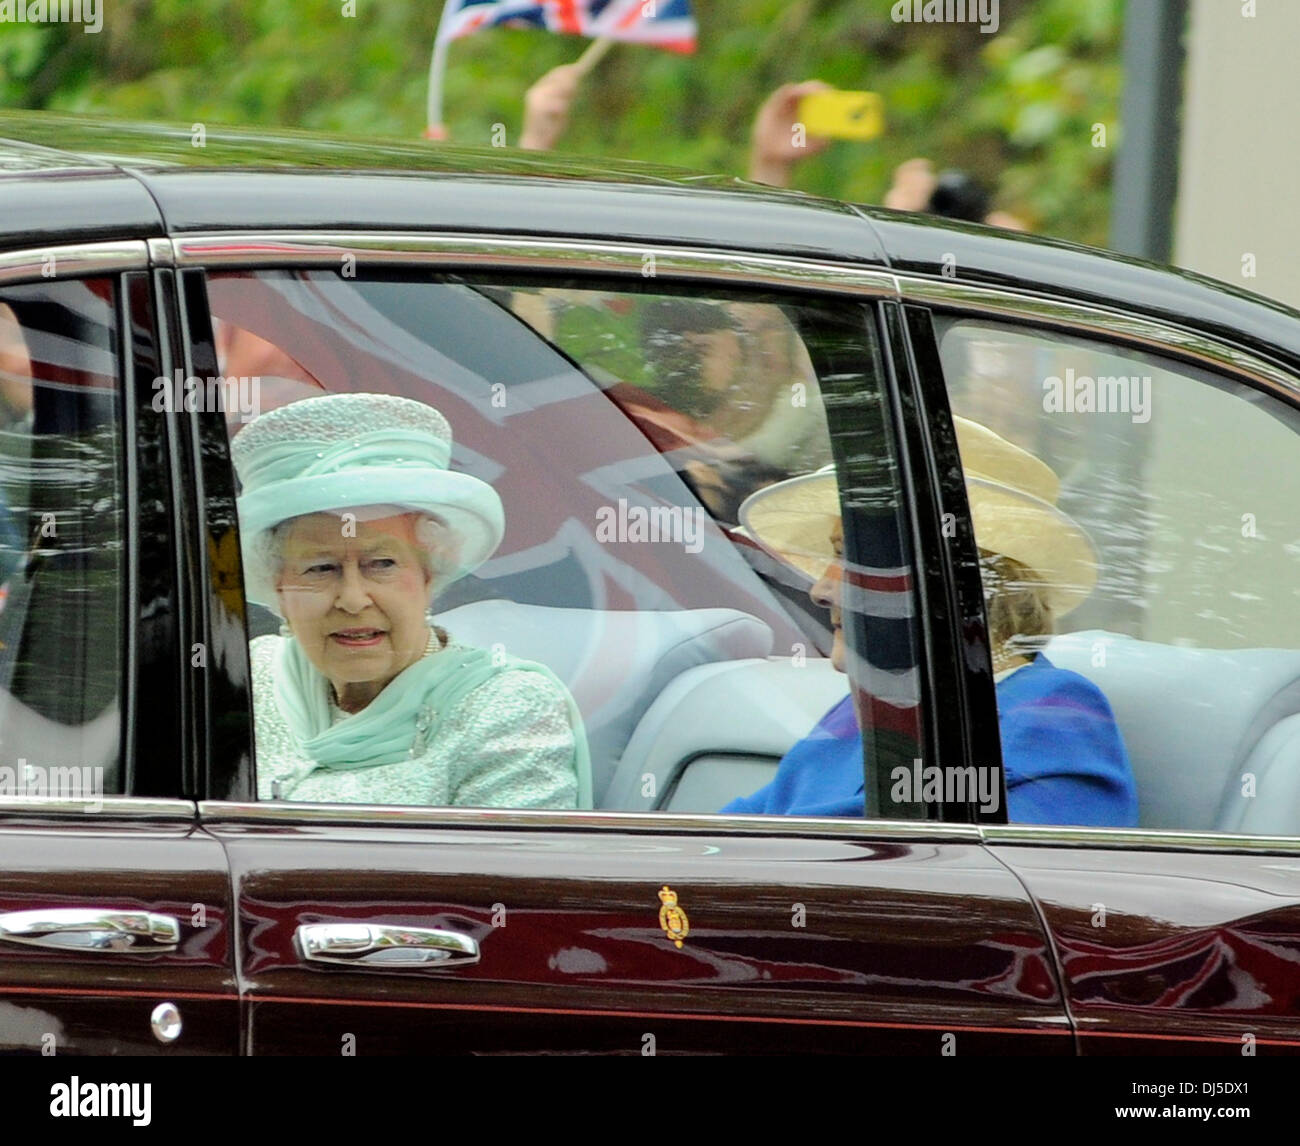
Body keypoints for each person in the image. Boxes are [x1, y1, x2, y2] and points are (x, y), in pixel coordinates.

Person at [723, 416, 1138, 826]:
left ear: (954, 585)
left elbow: (909, 862)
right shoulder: (859, 710)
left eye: (854, 558)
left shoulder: (1052, 711)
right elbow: (734, 836)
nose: (821, 590)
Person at [230, 391, 591, 808]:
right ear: (279, 586)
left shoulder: (506, 707)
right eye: (321, 568)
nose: (351, 598)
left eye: (381, 563)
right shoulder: (248, 679)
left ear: (429, 573)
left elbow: (512, 870)